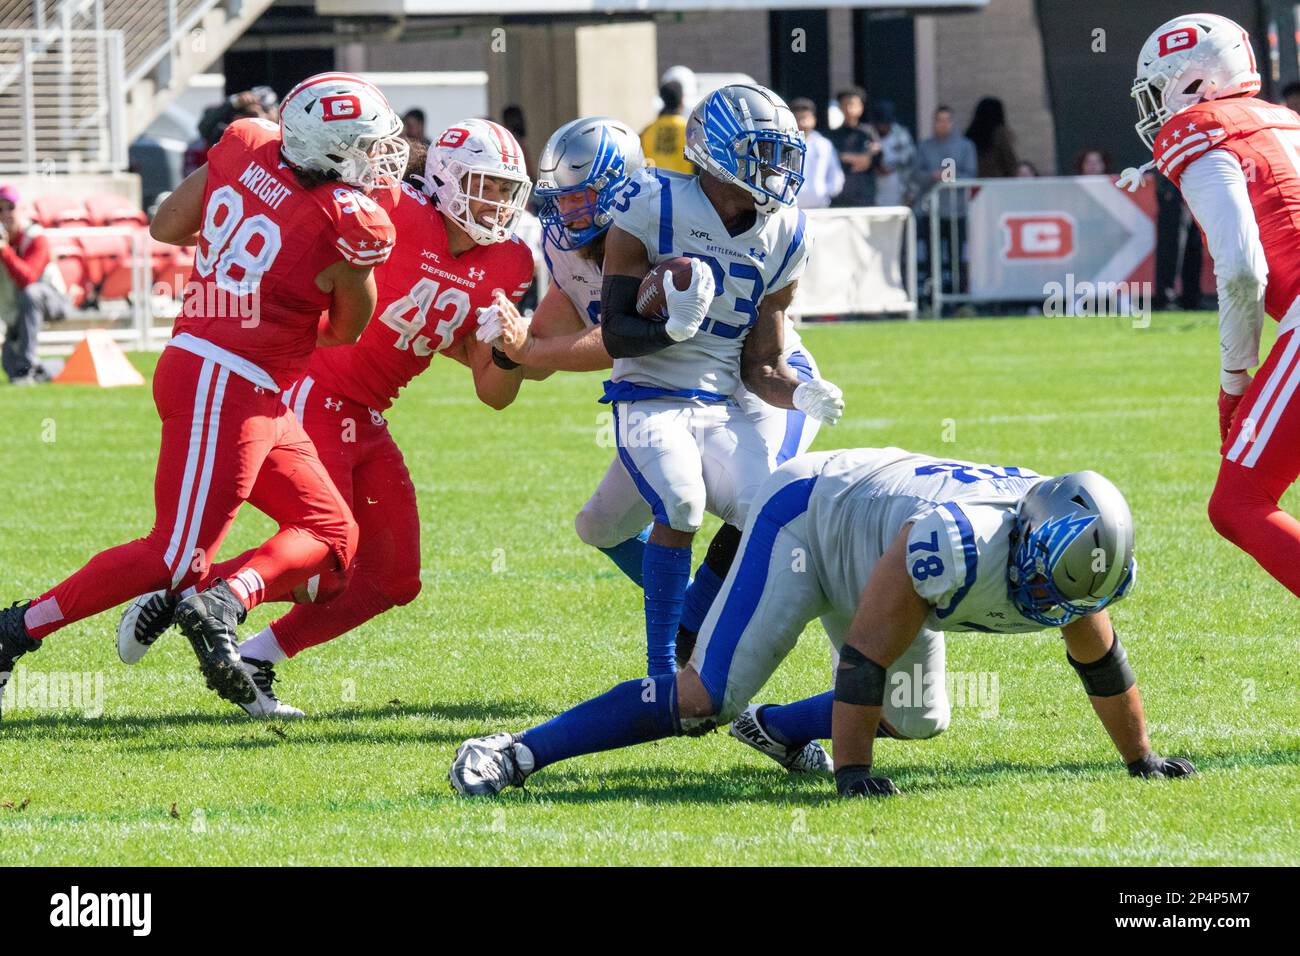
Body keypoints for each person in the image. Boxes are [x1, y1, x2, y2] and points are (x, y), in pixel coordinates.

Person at [0, 73, 405, 716]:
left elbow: (167, 224)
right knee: (172, 552)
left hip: (243, 377)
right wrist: (288, 300)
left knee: (333, 537)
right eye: (363, 147)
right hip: (227, 380)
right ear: (325, 149)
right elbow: (346, 329)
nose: (377, 162)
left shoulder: (246, 141)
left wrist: (248, 240)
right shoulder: (346, 220)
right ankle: (13, 634)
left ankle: (213, 597)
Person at [449, 448, 1196, 796]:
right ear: (1026, 537)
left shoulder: (1076, 562)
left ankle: (777, 729)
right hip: (813, 521)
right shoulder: (961, 543)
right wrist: (856, 772)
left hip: (882, 546)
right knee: (704, 699)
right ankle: (514, 752)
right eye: (1033, 577)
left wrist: (1140, 759)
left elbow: (1099, 659)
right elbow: (865, 652)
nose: (1041, 599)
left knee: (919, 718)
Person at [117, 120, 536, 716]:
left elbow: (493, 393)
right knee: (327, 559)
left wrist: (506, 349)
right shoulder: (390, 203)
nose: (495, 203)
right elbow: (304, 209)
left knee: (394, 577)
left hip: (367, 412)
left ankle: (242, 640)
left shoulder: (510, 260)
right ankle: (205, 594)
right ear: (444, 177)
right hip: (313, 387)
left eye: (504, 190)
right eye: (483, 185)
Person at [491, 115, 828, 674]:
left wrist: (529, 353)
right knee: (600, 525)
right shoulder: (573, 249)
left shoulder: (658, 222)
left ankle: (703, 647)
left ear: (618, 190)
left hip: (758, 381)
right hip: (673, 390)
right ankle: (692, 630)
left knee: (761, 506)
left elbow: (608, 345)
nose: (567, 215)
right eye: (562, 202)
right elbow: (557, 339)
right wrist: (495, 346)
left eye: (581, 200)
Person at [1127, 13, 1300, 598]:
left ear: (1195, 81)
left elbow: (1244, 269)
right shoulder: (1285, 122)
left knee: (1238, 503)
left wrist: (1233, 379)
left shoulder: (1196, 129)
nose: (1155, 107)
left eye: (1159, 88)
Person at [0, 184, 68, 385]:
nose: (5, 214)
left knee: (30, 293)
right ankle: (56, 367)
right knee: (10, 367)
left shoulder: (36, 237)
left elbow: (28, 278)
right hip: (18, 308)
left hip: (52, 300)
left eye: (10, 207)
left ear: (21, 209)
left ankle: (27, 365)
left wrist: (5, 251)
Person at [914, 106, 977, 296]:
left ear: (952, 122)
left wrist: (951, 177)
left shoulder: (965, 146)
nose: (942, 124)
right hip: (931, 211)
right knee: (932, 256)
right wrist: (933, 176)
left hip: (956, 210)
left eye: (946, 120)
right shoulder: (924, 147)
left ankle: (957, 295)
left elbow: (971, 174)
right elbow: (916, 174)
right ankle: (932, 294)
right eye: (939, 120)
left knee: (956, 256)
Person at [827, 86, 879, 207]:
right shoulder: (832, 135)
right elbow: (835, 159)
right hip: (839, 197)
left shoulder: (868, 132)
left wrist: (847, 157)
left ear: (861, 107)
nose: (849, 109)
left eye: (854, 105)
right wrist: (861, 158)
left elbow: (875, 159)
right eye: (845, 104)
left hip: (865, 194)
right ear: (840, 107)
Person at [790, 98, 843, 209]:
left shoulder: (824, 144)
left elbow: (835, 174)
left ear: (813, 119)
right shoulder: (786, 144)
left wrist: (824, 191)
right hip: (792, 207)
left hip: (820, 206)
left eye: (805, 118)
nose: (802, 122)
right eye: (798, 118)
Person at [640, 82, 694, 175]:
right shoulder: (690, 131)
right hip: (685, 186)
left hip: (653, 186)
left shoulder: (648, 130)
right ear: (682, 100)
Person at [870, 100, 915, 207]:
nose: (883, 126)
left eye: (886, 123)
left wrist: (891, 167)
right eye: (880, 123)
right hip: (874, 190)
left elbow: (909, 160)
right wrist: (875, 167)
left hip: (899, 188)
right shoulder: (868, 134)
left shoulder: (901, 134)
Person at [965, 96, 1018, 177]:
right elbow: (1009, 162)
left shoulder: (970, 134)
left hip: (976, 182)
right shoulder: (1000, 135)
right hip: (997, 181)